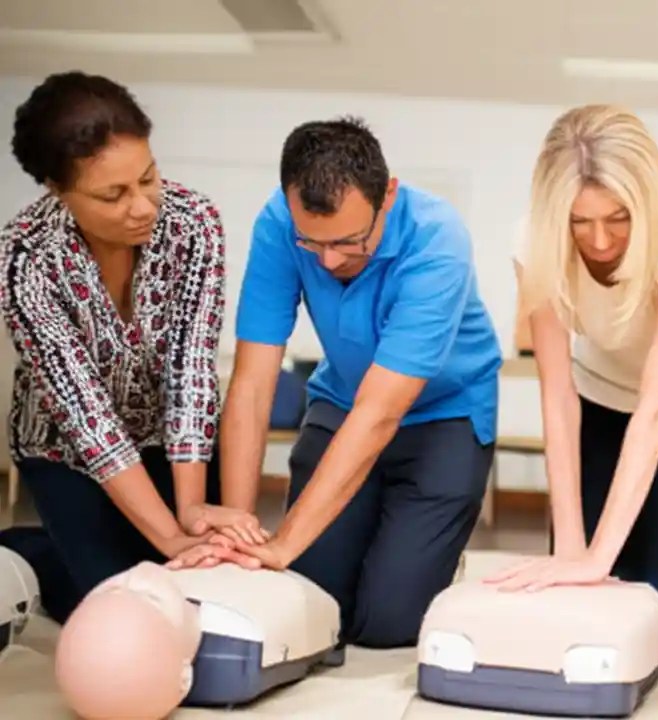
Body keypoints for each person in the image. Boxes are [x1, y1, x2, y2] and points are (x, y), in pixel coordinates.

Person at [181, 116, 502, 649]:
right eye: (314, 243)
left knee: (386, 625)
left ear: (388, 195)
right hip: (340, 404)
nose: (329, 261)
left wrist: (282, 544)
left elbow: (380, 415)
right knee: (317, 602)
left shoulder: (437, 239)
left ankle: (434, 559)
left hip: (444, 418)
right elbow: (254, 382)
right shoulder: (279, 224)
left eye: (350, 241)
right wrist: (237, 526)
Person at [0, 72, 260, 623]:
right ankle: (35, 551)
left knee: (199, 590)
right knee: (117, 605)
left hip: (167, 439)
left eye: (148, 178)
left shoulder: (193, 224)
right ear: (55, 188)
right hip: (66, 451)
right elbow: (87, 420)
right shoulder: (23, 258)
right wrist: (168, 538)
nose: (142, 206)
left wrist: (190, 514)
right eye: (113, 194)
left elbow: (192, 371)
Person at [484, 104, 658, 671]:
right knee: (581, 594)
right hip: (596, 396)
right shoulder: (534, 242)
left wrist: (597, 558)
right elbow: (556, 394)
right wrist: (572, 547)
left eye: (618, 218)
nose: (598, 239)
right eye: (578, 220)